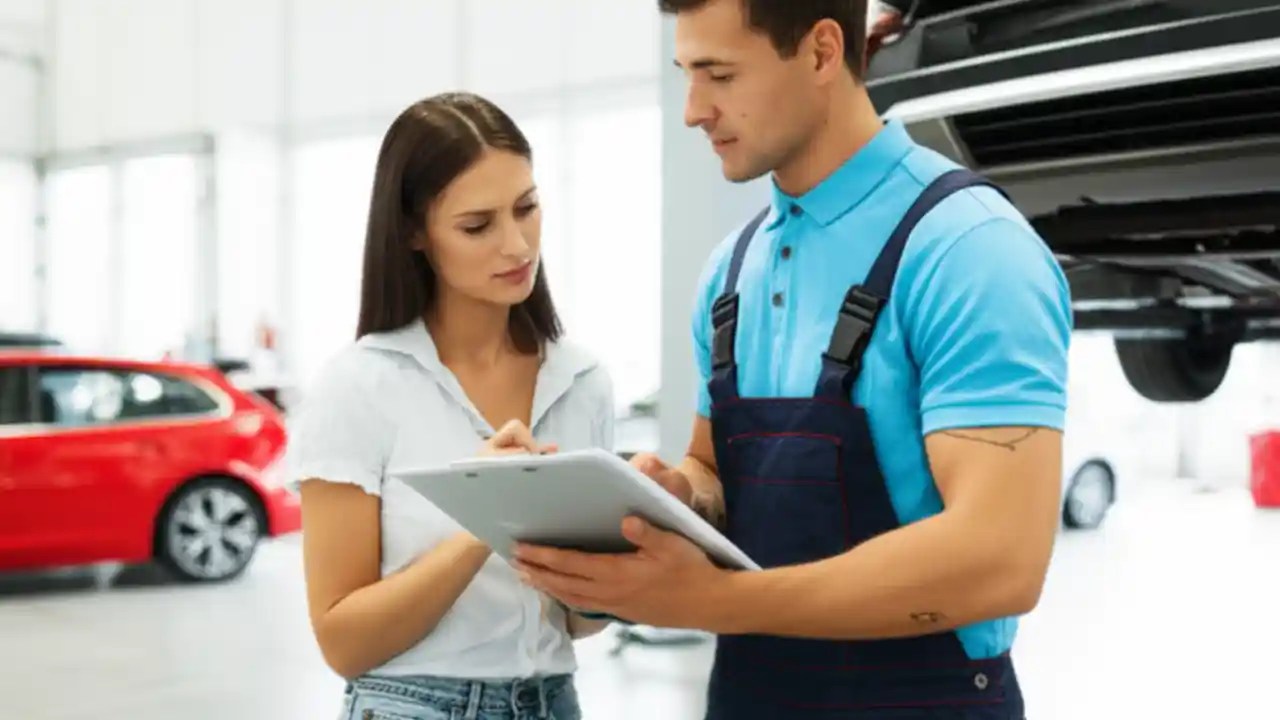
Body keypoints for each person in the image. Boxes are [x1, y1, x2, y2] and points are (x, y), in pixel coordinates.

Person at [513, 1, 1071, 718]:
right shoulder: (730, 271)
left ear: (821, 52)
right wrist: (674, 498)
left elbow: (998, 562)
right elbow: (712, 467)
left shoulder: (970, 250)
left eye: (720, 75)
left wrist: (715, 601)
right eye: (687, 74)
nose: (693, 111)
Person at [288, 92, 613, 720]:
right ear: (414, 232)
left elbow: (578, 625)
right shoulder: (359, 387)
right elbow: (343, 643)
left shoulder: (582, 381)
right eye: (477, 225)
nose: (517, 245)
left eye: (527, 208)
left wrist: (627, 555)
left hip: (554, 701)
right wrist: (485, 518)